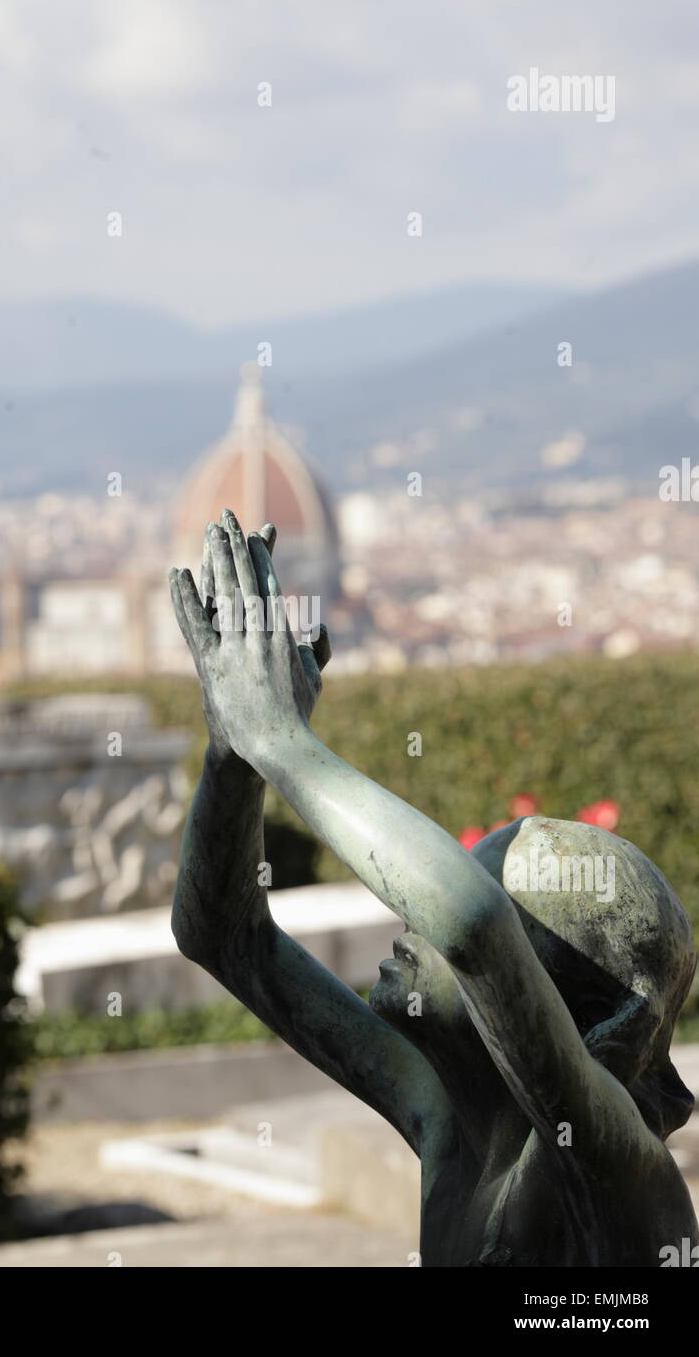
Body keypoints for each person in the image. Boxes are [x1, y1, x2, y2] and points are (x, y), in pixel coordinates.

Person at [168, 511, 698, 1267]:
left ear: (554, 997)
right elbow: (221, 938)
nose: (410, 918)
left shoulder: (605, 1158)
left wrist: (282, 741)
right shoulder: (448, 1121)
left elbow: (472, 927)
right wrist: (231, 749)